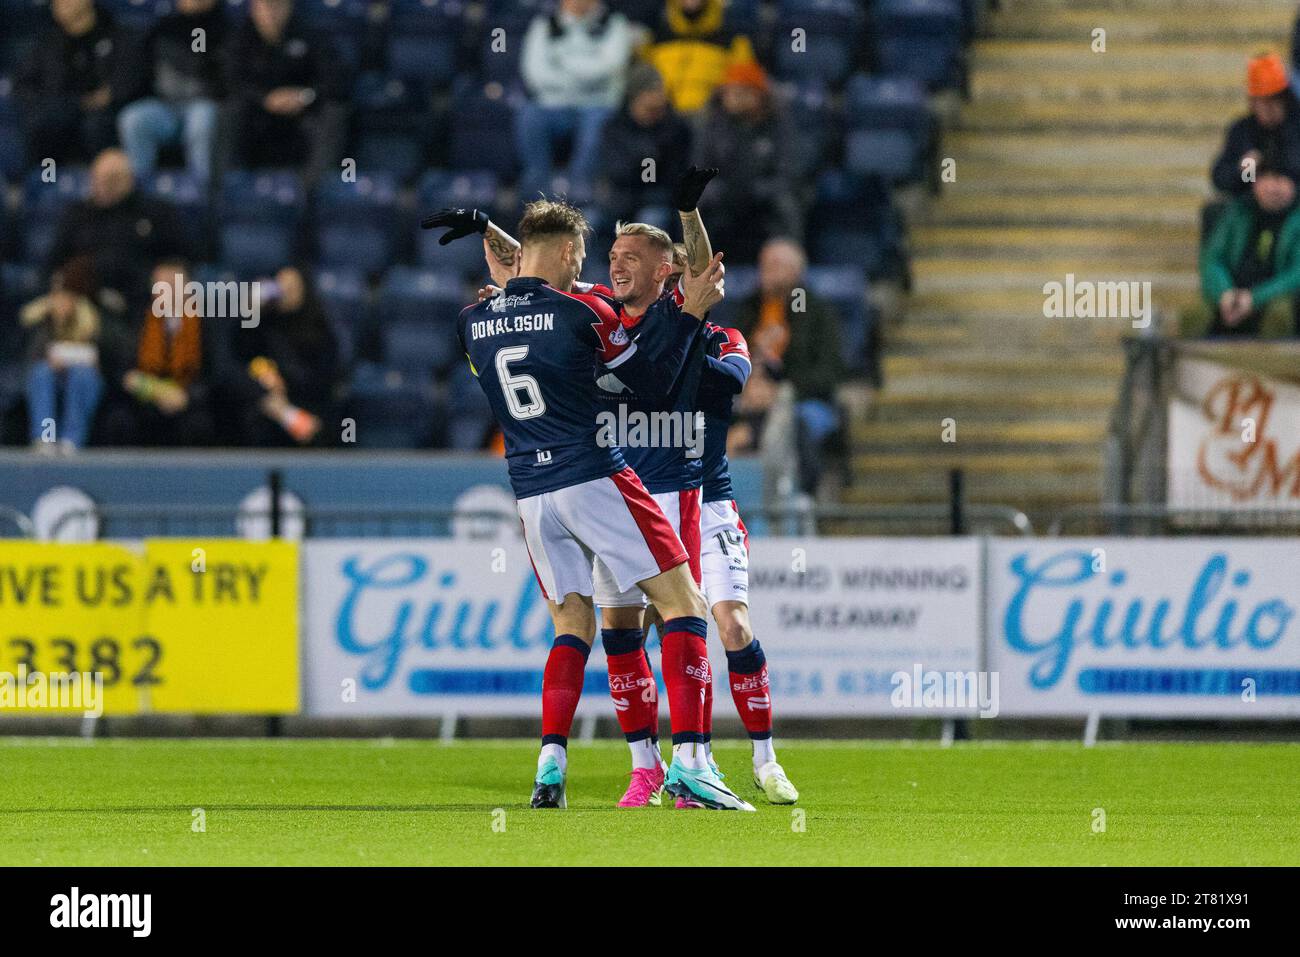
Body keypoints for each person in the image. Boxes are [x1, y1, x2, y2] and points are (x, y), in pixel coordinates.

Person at [442, 198, 748, 811]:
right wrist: (689, 314)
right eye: (581, 257)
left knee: (571, 622)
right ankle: (691, 762)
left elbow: (522, 277)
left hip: (528, 493)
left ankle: (550, 764)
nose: (587, 270)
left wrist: (488, 230)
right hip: (592, 473)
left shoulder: (473, 319)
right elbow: (652, 384)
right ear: (565, 253)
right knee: (683, 601)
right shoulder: (581, 315)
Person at [735, 238, 843, 498]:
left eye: (775, 265)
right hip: (750, 397)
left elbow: (828, 373)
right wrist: (747, 386)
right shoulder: (751, 309)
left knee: (794, 423)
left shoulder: (819, 314)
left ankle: (801, 496)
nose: (766, 271)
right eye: (764, 264)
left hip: (805, 399)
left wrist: (781, 392)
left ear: (796, 271)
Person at [45, 149, 190, 315]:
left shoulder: (156, 212)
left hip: (141, 301)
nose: (104, 185)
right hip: (86, 304)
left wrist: (172, 268)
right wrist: (60, 289)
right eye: (99, 179)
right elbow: (52, 263)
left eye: (113, 179)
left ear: (129, 179)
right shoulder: (77, 215)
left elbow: (182, 255)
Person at [517, 0, 636, 197]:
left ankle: (578, 193)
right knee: (529, 115)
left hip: (598, 104)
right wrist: (584, 74)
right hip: (553, 104)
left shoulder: (614, 23)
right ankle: (537, 191)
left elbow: (610, 67)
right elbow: (534, 74)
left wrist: (562, 63)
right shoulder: (544, 24)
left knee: (597, 123)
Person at [98, 260, 221, 446]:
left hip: (186, 400)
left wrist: (187, 396)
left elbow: (215, 373)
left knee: (200, 424)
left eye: (172, 286)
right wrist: (147, 389)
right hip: (143, 400)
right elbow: (122, 368)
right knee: (119, 420)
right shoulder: (137, 320)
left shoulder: (205, 322)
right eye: (159, 287)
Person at [222, 0, 347, 182]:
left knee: (334, 112)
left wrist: (304, 96)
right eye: (266, 6)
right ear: (254, 8)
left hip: (302, 115)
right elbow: (232, 81)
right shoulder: (239, 38)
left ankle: (313, 190)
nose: (272, 13)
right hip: (256, 116)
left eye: (278, 5)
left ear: (289, 7)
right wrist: (266, 98)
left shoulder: (309, 35)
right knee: (229, 111)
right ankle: (232, 188)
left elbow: (335, 78)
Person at [693, 61, 804, 263]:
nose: (732, 98)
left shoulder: (778, 125)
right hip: (725, 198)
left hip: (763, 200)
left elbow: (788, 173)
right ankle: (698, 270)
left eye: (740, 92)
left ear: (757, 95)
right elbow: (699, 171)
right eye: (729, 92)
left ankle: (786, 269)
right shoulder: (713, 125)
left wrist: (758, 190)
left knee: (785, 203)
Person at [222, 266, 338, 446]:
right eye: (281, 287)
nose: (286, 292)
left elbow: (323, 379)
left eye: (292, 287)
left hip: (306, 403)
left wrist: (287, 402)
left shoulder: (320, 330)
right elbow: (240, 357)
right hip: (264, 403)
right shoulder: (263, 324)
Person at [116, 0, 226, 185]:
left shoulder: (223, 28)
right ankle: (139, 188)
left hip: (203, 104)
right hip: (164, 107)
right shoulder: (164, 28)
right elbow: (141, 70)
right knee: (133, 118)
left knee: (202, 119)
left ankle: (202, 190)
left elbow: (226, 75)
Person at [1194, 163, 1300, 338]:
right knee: (1197, 315)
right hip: (1232, 295)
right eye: (1267, 178)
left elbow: (1296, 274)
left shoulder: (1295, 219)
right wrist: (1224, 294)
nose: (1273, 187)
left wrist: (1254, 298)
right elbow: (1213, 258)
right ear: (1256, 182)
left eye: (1281, 179)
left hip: (1275, 297)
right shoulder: (1237, 213)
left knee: (1280, 315)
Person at [15, 0, 126, 165]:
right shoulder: (48, 43)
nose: (62, 4)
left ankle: (98, 180)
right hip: (61, 109)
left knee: (96, 125)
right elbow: (24, 85)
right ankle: (48, 179)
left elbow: (128, 79)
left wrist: (108, 96)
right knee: (42, 126)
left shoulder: (116, 33)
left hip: (104, 113)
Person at [19, 258, 103, 451]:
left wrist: (84, 361)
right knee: (42, 373)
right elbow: (31, 356)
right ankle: (45, 437)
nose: (62, 303)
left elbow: (100, 356)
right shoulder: (40, 320)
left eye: (67, 298)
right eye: (58, 298)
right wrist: (50, 360)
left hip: (83, 378)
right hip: (50, 376)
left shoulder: (91, 320)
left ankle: (71, 440)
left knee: (82, 376)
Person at [597, 63, 693, 223]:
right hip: (621, 199)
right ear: (633, 100)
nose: (653, 113)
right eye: (648, 108)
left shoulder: (676, 127)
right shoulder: (615, 126)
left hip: (659, 200)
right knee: (592, 220)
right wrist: (646, 159)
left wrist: (648, 162)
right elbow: (615, 171)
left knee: (651, 219)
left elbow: (676, 174)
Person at [641, 0, 756, 115]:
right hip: (663, 116)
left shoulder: (732, 37)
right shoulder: (656, 36)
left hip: (713, 118)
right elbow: (643, 79)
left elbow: (742, 81)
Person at [1210, 51, 1300, 198]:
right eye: (1263, 101)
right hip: (1253, 207)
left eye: (1274, 100)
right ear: (1252, 102)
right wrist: (1248, 170)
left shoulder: (1295, 128)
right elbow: (1222, 178)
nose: (1269, 108)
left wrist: (1289, 184)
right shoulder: (1243, 132)